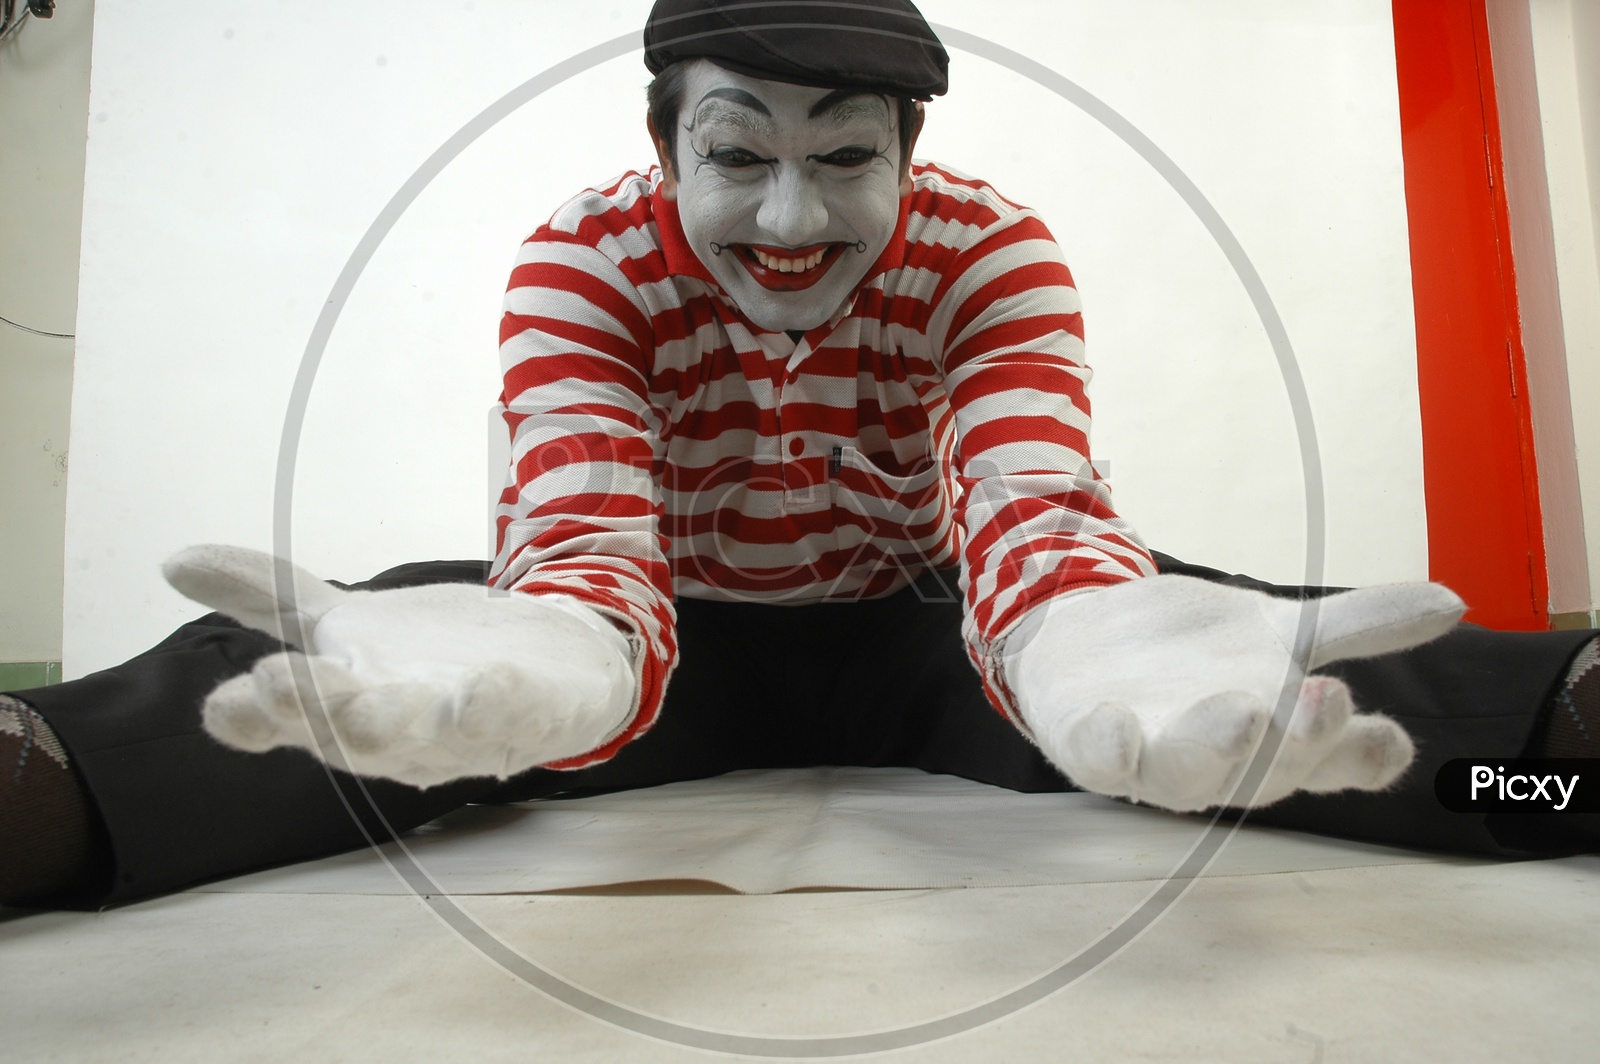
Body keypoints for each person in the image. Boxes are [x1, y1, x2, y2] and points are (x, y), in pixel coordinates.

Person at [3, 0, 1596, 910]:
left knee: (1219, 663)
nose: (789, 218)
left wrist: (1089, 630)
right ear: (664, 146)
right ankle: (53, 787)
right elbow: (584, 540)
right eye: (738, 155)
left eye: (844, 157)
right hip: (652, 634)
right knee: (395, 672)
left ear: (913, 156)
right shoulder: (581, 263)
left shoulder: (991, 254)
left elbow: (1030, 510)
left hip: (923, 631)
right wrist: (557, 643)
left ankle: (1555, 748)